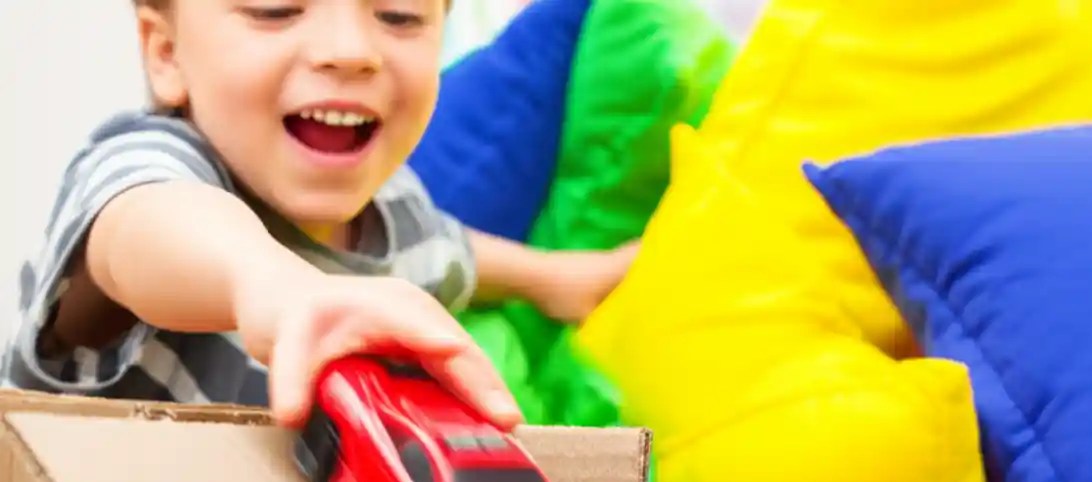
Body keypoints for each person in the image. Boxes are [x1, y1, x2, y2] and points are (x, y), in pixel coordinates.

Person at [0, 0, 638, 432]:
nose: (349, 51)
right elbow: (138, 225)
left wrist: (559, 279)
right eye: (276, 8)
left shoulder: (396, 207)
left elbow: (450, 253)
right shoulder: (154, 167)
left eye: (398, 14)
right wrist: (271, 285)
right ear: (166, 53)